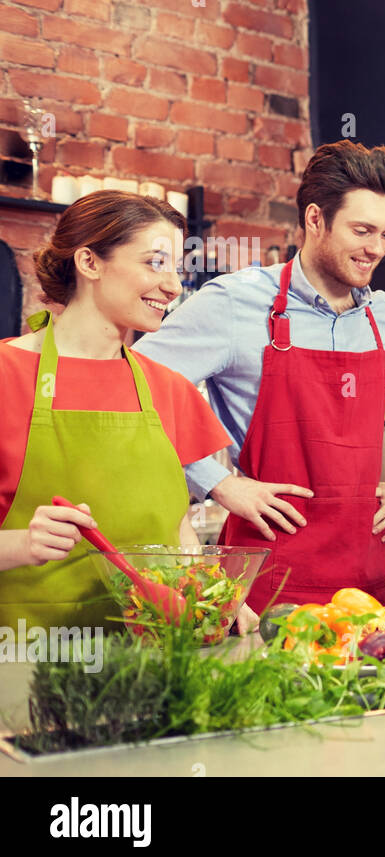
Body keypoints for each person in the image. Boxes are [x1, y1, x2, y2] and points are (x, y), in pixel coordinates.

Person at [133, 141, 385, 612]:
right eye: (362, 231)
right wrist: (218, 482)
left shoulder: (383, 314)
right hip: (265, 575)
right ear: (315, 219)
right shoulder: (234, 303)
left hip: (364, 581)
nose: (376, 250)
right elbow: (135, 385)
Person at [0, 191, 232, 628]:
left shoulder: (169, 389)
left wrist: (211, 605)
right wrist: (22, 544)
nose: (173, 285)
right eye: (155, 262)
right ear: (90, 263)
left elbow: (179, 533)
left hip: (153, 657)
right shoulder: (6, 375)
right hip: (26, 665)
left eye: (176, 268)